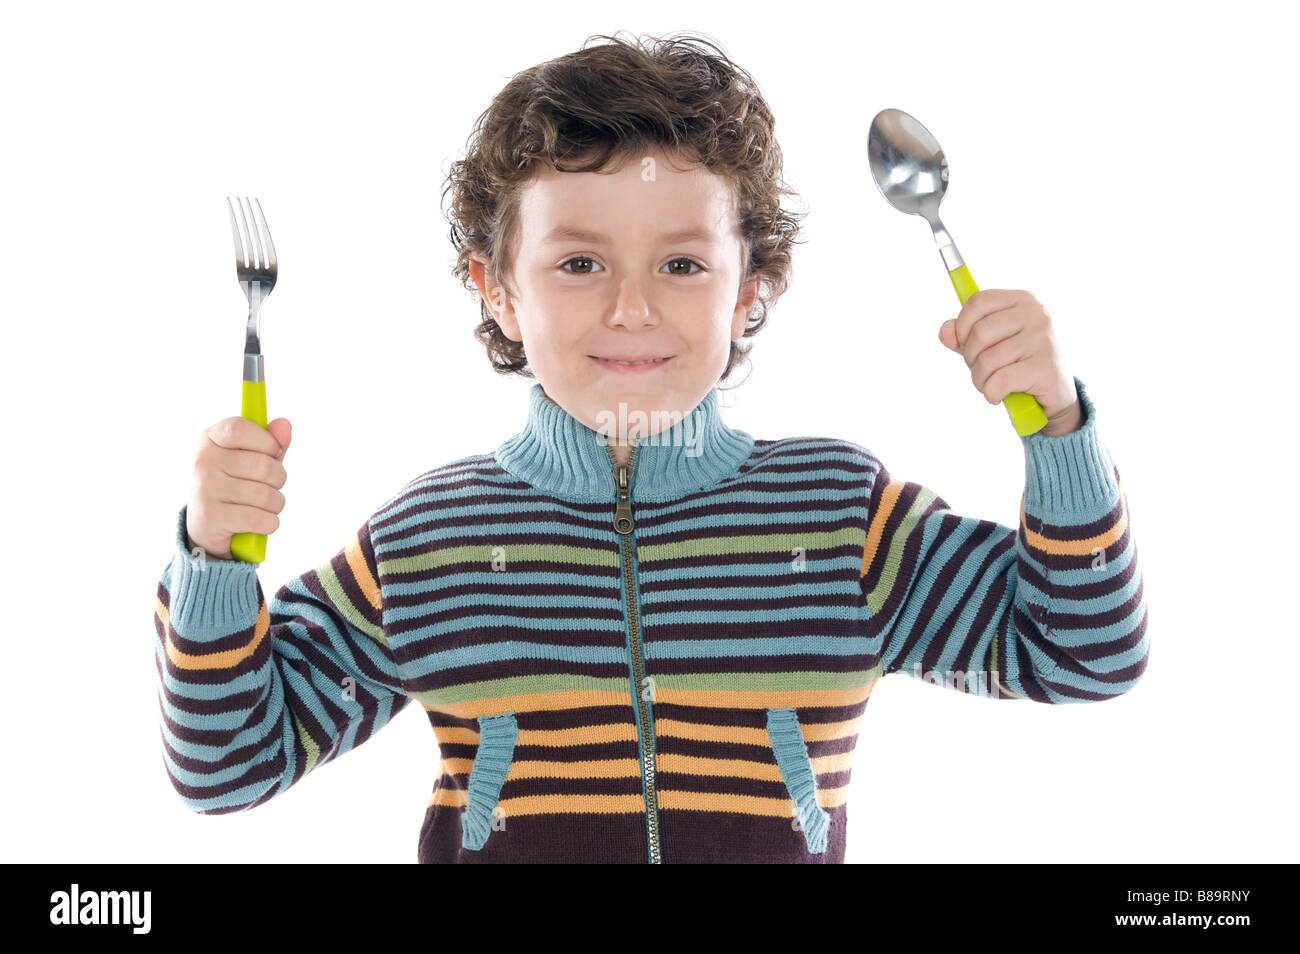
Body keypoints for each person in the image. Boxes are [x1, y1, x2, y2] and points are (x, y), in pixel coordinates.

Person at [154, 31, 1148, 864]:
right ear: (497, 287)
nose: (632, 308)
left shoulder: (844, 517)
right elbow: (227, 768)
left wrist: (1058, 430)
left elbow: (1082, 653)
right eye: (578, 262)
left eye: (681, 263)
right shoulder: (428, 542)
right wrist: (209, 559)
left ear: (749, 286)